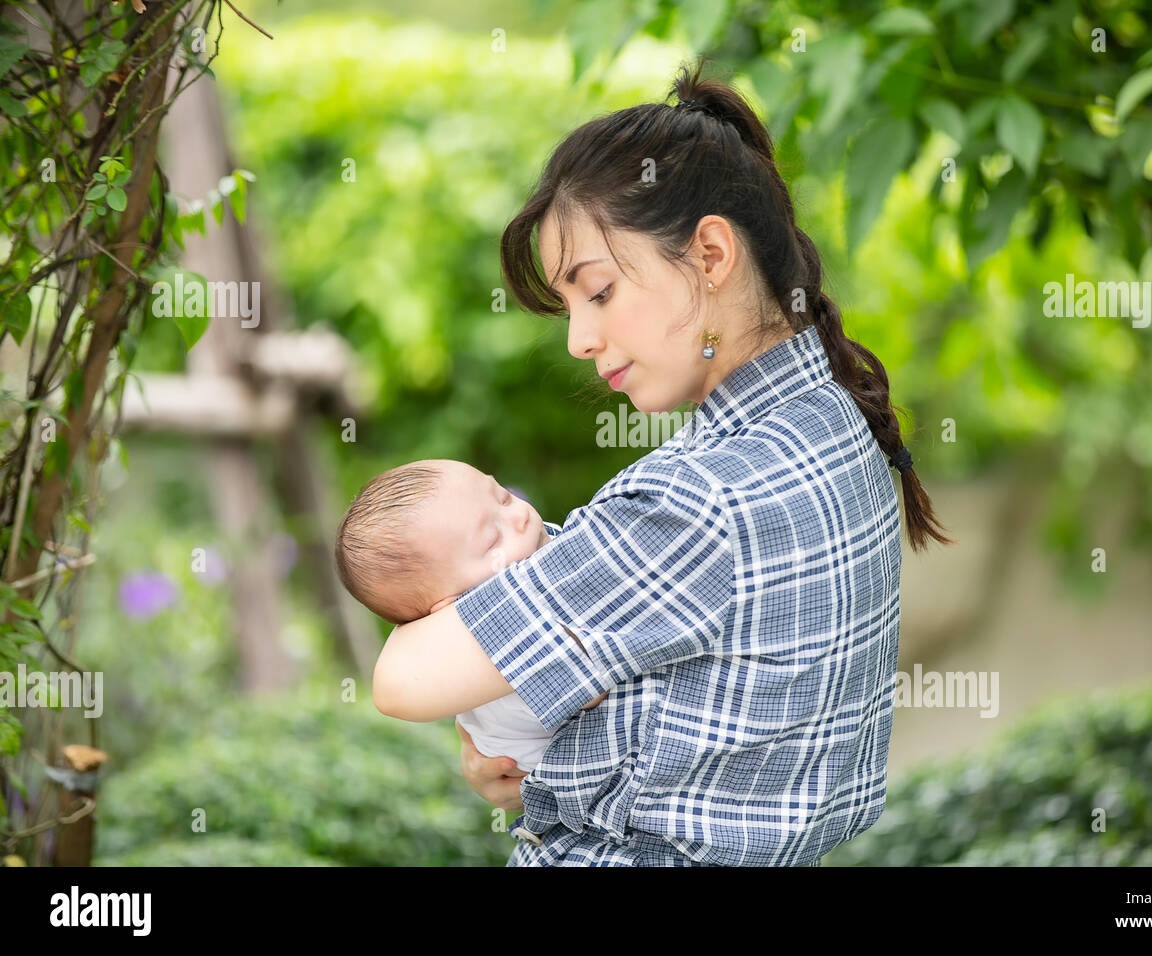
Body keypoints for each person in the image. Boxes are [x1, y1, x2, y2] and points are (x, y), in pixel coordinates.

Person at [371, 59, 954, 866]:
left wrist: (495, 739)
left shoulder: (700, 499)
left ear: (711, 254)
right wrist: (530, 758)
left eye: (599, 292)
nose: (578, 339)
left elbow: (401, 678)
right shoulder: (834, 420)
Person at [333, 458, 606, 772]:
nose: (518, 516)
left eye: (502, 496)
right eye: (492, 540)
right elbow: (595, 684)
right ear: (455, 608)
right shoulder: (498, 651)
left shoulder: (533, 553)